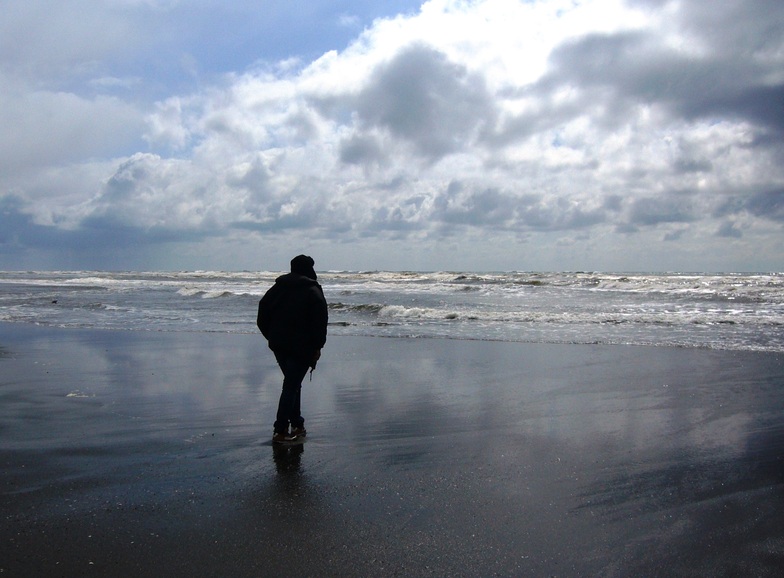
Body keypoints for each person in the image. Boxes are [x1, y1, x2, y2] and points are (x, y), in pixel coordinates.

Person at [257, 255, 328, 443]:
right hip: (302, 347)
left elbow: (262, 314)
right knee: (291, 385)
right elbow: (320, 322)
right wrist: (318, 347)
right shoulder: (312, 290)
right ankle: (280, 429)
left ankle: (297, 423)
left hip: (279, 345)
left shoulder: (277, 289)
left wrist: (271, 337)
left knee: (292, 383)